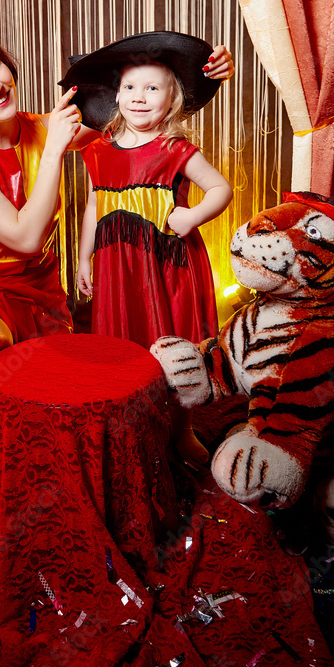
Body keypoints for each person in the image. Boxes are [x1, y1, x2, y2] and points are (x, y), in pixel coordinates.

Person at [0, 27, 233, 459]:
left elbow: (138, 127)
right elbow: (25, 238)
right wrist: (56, 149)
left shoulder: (43, 128)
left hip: (41, 293)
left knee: (64, 407)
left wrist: (205, 74)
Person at [63, 32, 233, 462]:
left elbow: (220, 188)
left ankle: (180, 431)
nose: (139, 97)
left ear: (172, 99)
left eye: (152, 88)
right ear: (116, 95)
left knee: (171, 350)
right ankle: (132, 431)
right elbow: (93, 206)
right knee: (124, 348)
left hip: (167, 267)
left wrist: (192, 217)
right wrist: (84, 257)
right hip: (118, 269)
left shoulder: (175, 149)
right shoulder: (98, 151)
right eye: (130, 87)